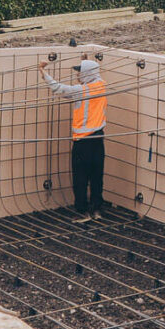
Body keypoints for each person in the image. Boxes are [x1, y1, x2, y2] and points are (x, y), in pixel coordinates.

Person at [39, 57, 108, 223]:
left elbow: (58, 89)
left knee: (81, 178)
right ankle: (97, 210)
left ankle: (83, 211)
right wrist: (85, 60)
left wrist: (42, 71)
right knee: (97, 176)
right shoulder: (102, 86)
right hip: (98, 139)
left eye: (80, 72)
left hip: (82, 142)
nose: (77, 75)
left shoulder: (81, 91)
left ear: (86, 74)